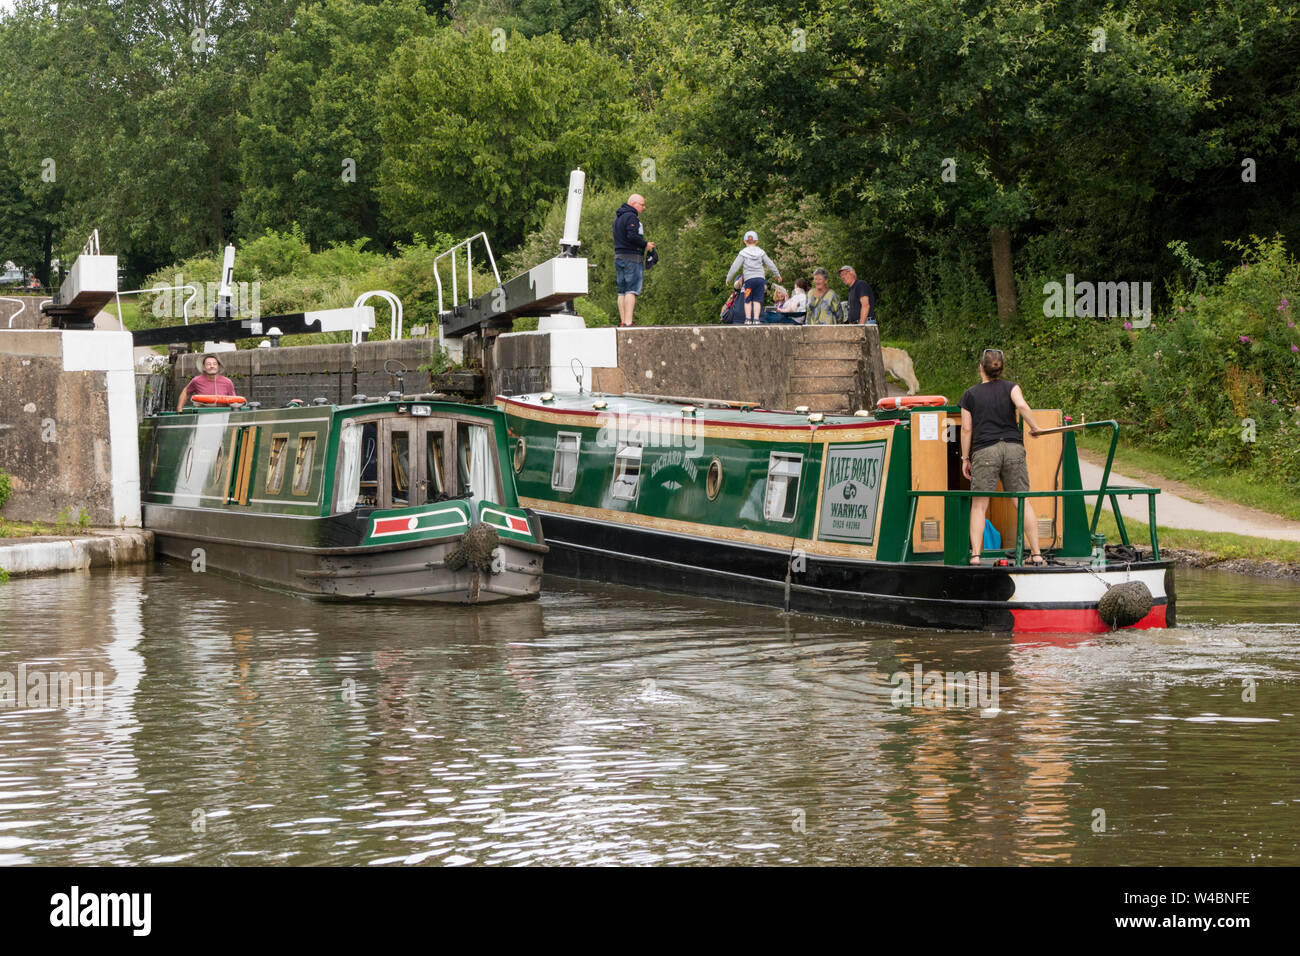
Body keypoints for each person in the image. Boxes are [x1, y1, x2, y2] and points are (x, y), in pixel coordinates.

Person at [960, 348, 1044, 565]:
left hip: (985, 450)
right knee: (1021, 500)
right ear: (1001, 369)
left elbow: (967, 429)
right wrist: (1035, 427)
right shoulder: (1011, 387)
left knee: (979, 505)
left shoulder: (970, 394)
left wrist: (965, 459)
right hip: (1013, 448)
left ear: (981, 368)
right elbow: (1022, 405)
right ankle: (1036, 554)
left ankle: (976, 556)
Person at [613, 194, 655, 327]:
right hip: (631, 258)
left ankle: (623, 321)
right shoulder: (632, 217)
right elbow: (632, 236)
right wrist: (645, 244)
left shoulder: (618, 219)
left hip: (619, 257)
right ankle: (629, 322)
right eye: (642, 204)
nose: (644, 207)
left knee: (621, 291)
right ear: (633, 203)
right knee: (631, 290)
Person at [725, 231, 781, 323]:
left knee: (748, 300)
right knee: (757, 300)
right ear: (757, 241)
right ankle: (756, 319)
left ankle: (747, 319)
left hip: (749, 280)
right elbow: (770, 263)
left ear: (745, 241)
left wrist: (728, 278)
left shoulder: (743, 253)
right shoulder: (761, 252)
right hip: (760, 280)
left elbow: (735, 266)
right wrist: (777, 274)